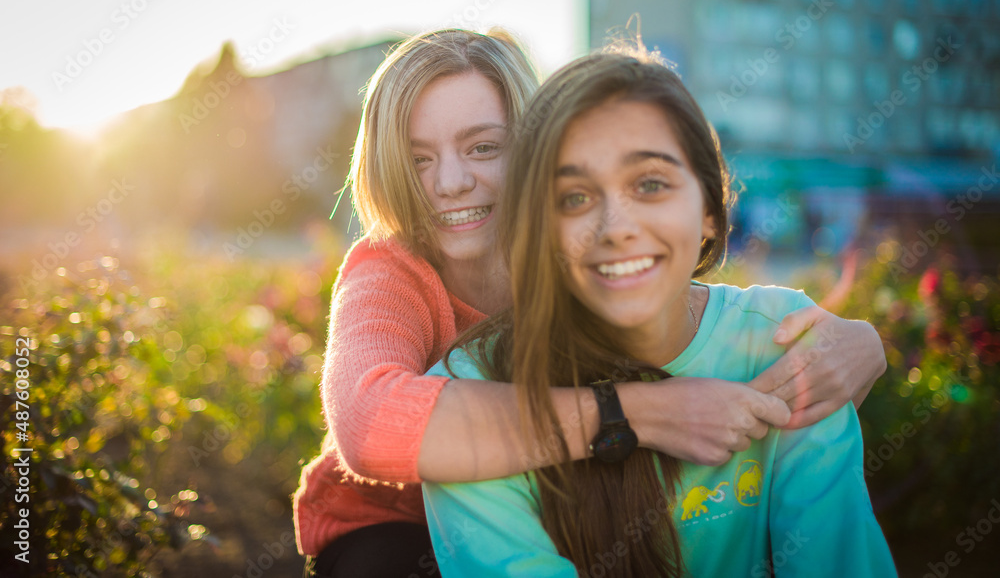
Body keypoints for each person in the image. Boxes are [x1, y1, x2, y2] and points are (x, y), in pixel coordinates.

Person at [293, 29, 888, 577]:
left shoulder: (587, 250)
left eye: (483, 148)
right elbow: (367, 424)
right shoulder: (391, 271)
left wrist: (864, 340)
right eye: (418, 158)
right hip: (395, 521)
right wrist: (638, 413)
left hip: (562, 488)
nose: (450, 182)